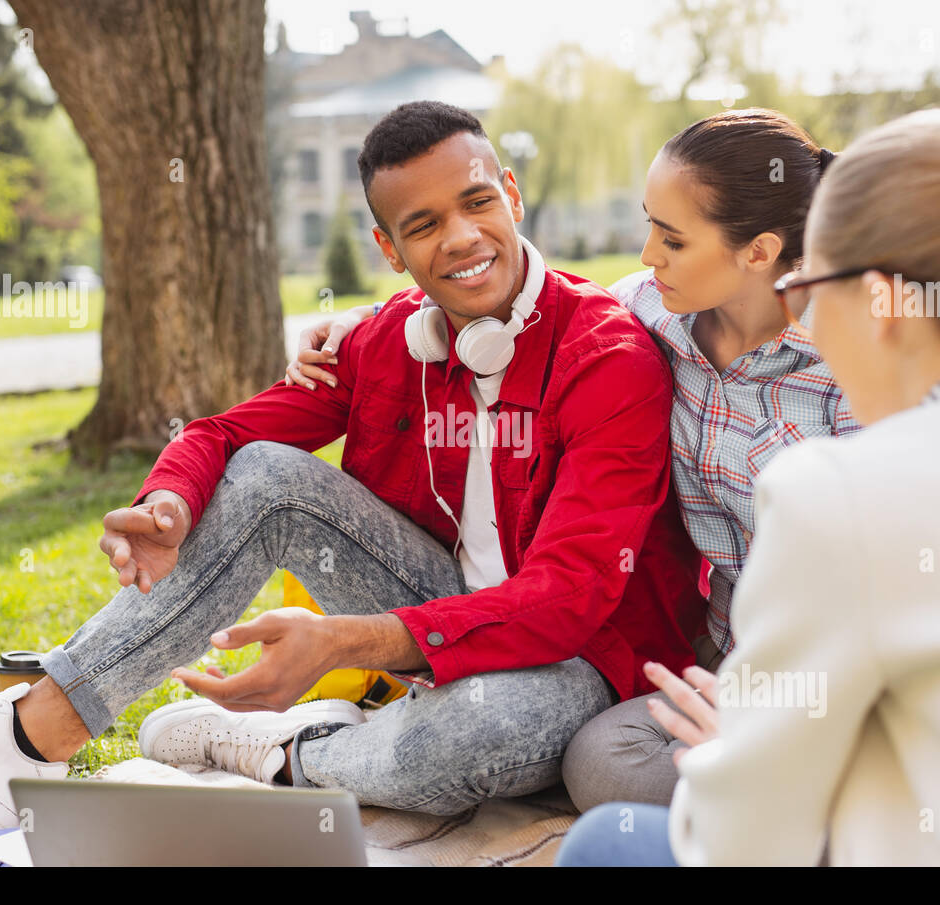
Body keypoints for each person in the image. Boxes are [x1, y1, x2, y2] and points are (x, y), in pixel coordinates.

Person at [0, 101, 706, 830]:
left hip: (585, 656)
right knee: (263, 477)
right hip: (437, 602)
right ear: (389, 249)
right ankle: (27, 737)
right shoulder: (378, 343)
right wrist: (170, 500)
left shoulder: (606, 357)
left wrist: (351, 640)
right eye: (424, 225)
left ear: (512, 194)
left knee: (480, 741)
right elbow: (221, 436)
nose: (464, 237)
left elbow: (570, 596)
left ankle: (275, 749)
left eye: (478, 202)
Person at [558, 105, 940, 865]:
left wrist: (751, 746)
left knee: (604, 843)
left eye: (813, 288)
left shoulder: (840, 493)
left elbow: (740, 843)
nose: (808, 322)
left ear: (883, 299)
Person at [291, 109, 858, 812]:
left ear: (758, 251)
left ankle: (835, 794)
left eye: (672, 238)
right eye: (650, 224)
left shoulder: (849, 370)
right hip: (724, 649)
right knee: (600, 762)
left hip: (835, 663)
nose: (648, 253)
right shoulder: (649, 311)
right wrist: (355, 328)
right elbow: (507, 297)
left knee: (603, 772)